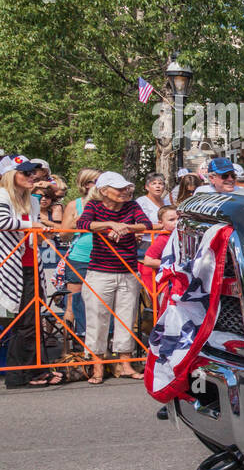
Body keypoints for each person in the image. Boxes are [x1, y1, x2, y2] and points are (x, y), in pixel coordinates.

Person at [77, 172, 153, 383]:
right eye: (118, 189)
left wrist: (125, 227)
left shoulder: (131, 206)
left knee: (127, 319)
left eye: (125, 188)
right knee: (97, 320)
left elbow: (146, 224)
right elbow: (83, 224)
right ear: (103, 191)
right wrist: (110, 224)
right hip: (100, 272)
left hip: (128, 271)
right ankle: (98, 367)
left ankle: (125, 364)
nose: (124, 192)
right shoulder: (94, 206)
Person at [1, 160, 64, 387]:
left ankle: (33, 371)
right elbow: (2, 221)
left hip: (30, 263)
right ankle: (21, 374)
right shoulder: (2, 195)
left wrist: (40, 231)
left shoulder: (31, 200)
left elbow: (31, 228)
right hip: (9, 267)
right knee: (24, 321)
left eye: (33, 173)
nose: (32, 176)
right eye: (26, 173)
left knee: (31, 320)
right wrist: (34, 227)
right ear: (10, 174)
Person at [60, 168, 101, 338]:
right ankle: (68, 349)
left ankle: (97, 345)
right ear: (86, 184)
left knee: (99, 304)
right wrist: (77, 223)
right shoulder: (74, 204)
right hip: (80, 258)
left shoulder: (110, 204)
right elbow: (63, 234)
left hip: (104, 258)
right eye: (96, 181)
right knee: (73, 303)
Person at [139, 204, 178, 311]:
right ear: (161, 223)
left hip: (176, 281)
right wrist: (173, 266)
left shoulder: (180, 236)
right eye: (171, 220)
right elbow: (148, 260)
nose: (176, 222)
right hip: (165, 284)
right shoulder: (163, 239)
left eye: (179, 219)